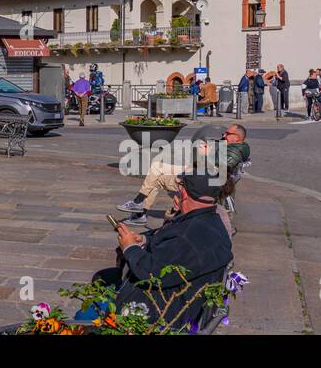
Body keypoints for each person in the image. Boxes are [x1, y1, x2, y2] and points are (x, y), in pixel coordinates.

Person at [89, 174, 233, 331]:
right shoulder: (211, 221)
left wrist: (130, 248)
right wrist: (143, 240)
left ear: (184, 193)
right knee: (103, 277)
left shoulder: (187, 235)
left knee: (86, 314)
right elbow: (169, 242)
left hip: (159, 313)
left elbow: (151, 272)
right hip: (180, 300)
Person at [118, 124, 249, 227]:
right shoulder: (234, 147)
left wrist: (205, 153)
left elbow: (217, 169)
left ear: (237, 137)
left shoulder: (235, 152)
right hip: (196, 172)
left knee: (156, 175)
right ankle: (139, 206)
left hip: (199, 178)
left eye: (228, 133)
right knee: (156, 167)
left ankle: (139, 208)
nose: (224, 134)